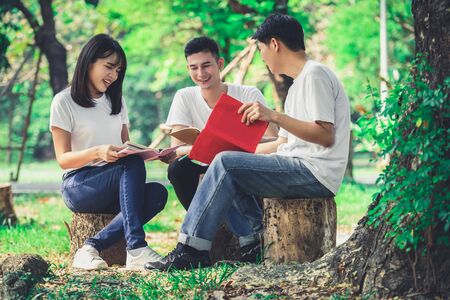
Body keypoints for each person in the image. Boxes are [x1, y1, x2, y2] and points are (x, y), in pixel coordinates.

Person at [145, 13, 350, 271]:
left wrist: (274, 116)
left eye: (262, 49)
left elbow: (324, 135)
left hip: (314, 173)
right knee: (226, 164)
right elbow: (282, 143)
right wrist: (232, 151)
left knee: (226, 164)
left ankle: (191, 249)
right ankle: (254, 241)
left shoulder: (315, 75)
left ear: (274, 44)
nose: (262, 57)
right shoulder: (298, 84)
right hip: (296, 164)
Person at [50, 34, 167, 271]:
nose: (113, 76)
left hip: (116, 181)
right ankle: (136, 248)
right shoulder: (63, 101)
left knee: (157, 192)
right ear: (89, 61)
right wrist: (97, 152)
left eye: (118, 70)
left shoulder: (116, 101)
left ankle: (90, 247)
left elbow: (126, 145)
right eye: (109, 67)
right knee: (130, 165)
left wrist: (155, 153)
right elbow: (63, 160)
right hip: (79, 184)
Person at [165, 36, 278, 210]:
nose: (201, 74)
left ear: (220, 63)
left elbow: (274, 140)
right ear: (188, 69)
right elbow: (177, 148)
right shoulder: (184, 96)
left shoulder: (247, 94)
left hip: (240, 164)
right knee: (177, 169)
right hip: (202, 164)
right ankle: (200, 218)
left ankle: (248, 224)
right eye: (194, 68)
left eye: (206, 65)